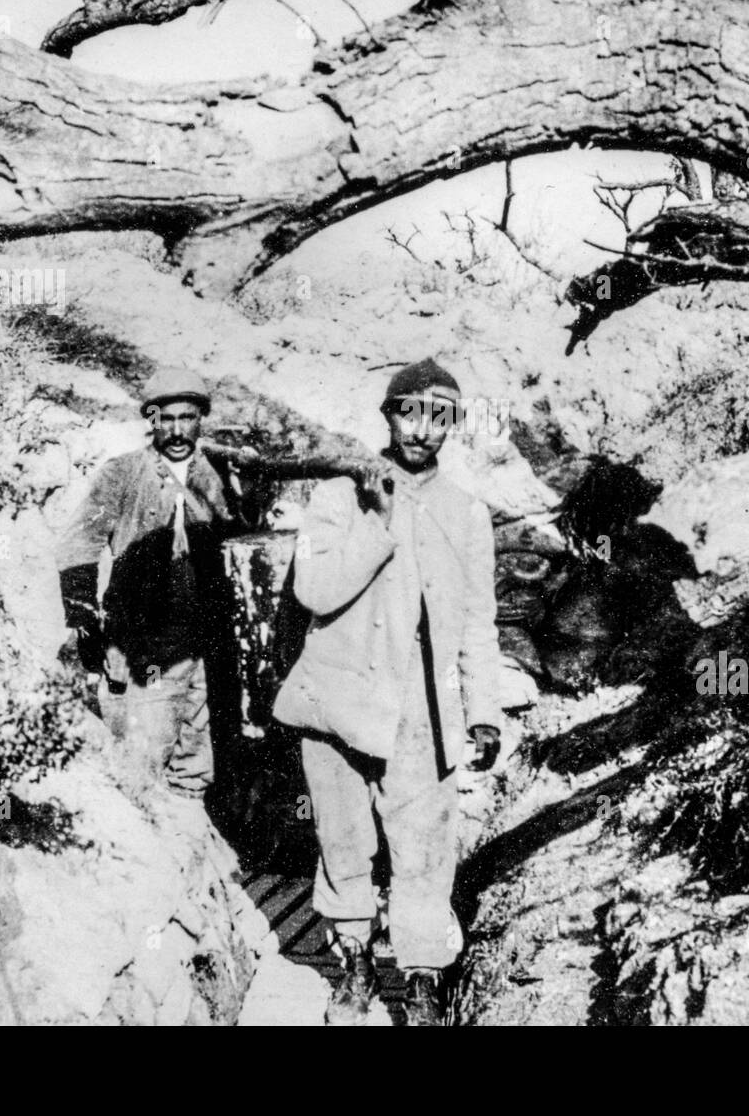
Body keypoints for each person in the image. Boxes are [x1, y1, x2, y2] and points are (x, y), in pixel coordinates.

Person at [274, 358, 502, 1026]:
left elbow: (478, 623)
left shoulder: (466, 514)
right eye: (410, 412)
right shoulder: (338, 497)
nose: (421, 430)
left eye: (439, 417)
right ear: (388, 415)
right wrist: (375, 522)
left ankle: (423, 976)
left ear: (453, 428)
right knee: (343, 844)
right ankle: (352, 967)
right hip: (336, 705)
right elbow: (313, 590)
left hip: (419, 714)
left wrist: (483, 711)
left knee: (425, 853)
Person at [57, 368, 238, 798]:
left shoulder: (218, 475)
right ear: (151, 421)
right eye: (166, 418)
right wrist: (82, 611)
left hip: (205, 637)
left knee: (199, 752)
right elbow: (81, 539)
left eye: (187, 418)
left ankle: (193, 845)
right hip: (144, 638)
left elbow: (241, 536)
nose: (176, 429)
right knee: (144, 753)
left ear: (201, 419)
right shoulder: (122, 473)